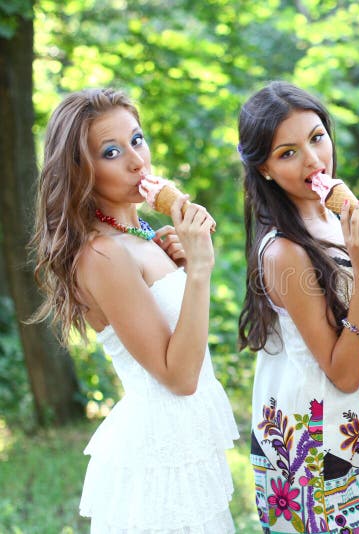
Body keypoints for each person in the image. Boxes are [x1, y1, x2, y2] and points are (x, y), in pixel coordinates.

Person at [29, 88, 239, 532]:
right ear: (81, 171)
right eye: (112, 152)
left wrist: (184, 266)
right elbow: (179, 377)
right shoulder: (102, 254)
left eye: (137, 139)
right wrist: (200, 271)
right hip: (159, 460)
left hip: (185, 444)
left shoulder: (143, 237)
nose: (137, 161)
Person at [237, 81, 359, 534]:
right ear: (264, 169)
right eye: (288, 153)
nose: (314, 160)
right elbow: (343, 373)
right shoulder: (284, 253)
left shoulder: (335, 220)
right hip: (322, 449)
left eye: (317, 138)